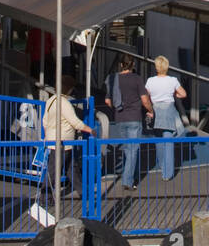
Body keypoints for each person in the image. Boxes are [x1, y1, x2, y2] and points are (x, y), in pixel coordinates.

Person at [104, 55, 152, 190]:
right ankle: (128, 181)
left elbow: (108, 101)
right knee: (133, 150)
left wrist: (118, 107)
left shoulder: (113, 79)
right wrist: (151, 110)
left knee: (128, 149)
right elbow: (145, 100)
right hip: (134, 117)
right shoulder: (137, 79)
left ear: (120, 65)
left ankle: (130, 175)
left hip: (120, 118)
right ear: (133, 65)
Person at [42, 74, 94, 199]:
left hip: (54, 140)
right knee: (54, 170)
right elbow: (74, 121)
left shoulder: (50, 100)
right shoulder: (64, 103)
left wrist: (49, 134)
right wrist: (90, 130)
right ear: (68, 89)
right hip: (62, 141)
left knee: (71, 168)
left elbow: (44, 121)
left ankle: (83, 192)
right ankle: (45, 197)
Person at [145, 55, 187, 182]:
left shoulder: (150, 81)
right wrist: (174, 93)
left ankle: (162, 166)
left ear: (157, 67)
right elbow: (183, 94)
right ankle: (167, 174)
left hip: (156, 110)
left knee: (159, 142)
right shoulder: (173, 80)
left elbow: (146, 97)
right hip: (169, 111)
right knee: (168, 142)